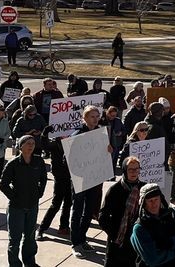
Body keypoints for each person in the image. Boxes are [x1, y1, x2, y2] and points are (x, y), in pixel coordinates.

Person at [71, 106, 113, 258]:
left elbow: (103, 156)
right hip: (81, 179)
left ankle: (82, 239)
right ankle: (75, 243)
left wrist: (108, 150)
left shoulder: (100, 134)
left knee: (89, 211)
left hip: (95, 178)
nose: (95, 119)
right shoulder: (78, 134)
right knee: (77, 211)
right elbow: (69, 158)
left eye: (97, 116)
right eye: (92, 117)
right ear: (85, 118)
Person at [0, 134, 47, 267]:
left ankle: (29, 262)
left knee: (30, 237)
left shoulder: (39, 161)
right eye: (28, 143)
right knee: (15, 240)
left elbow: (43, 179)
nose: (31, 146)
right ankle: (15, 264)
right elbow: (3, 185)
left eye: (33, 143)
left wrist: (40, 192)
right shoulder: (13, 164)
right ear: (21, 147)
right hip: (16, 208)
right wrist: (14, 197)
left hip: (32, 205)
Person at [130, 184, 175, 267]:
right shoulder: (140, 227)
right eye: (150, 201)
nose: (154, 204)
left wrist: (171, 242)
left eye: (156, 199)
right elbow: (153, 259)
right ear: (143, 203)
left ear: (161, 199)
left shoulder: (173, 215)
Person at [99, 157, 145, 266]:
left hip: (136, 239)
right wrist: (114, 234)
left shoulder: (144, 188)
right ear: (124, 170)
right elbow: (102, 216)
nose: (134, 172)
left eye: (136, 169)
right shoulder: (115, 190)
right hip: (117, 241)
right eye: (130, 169)